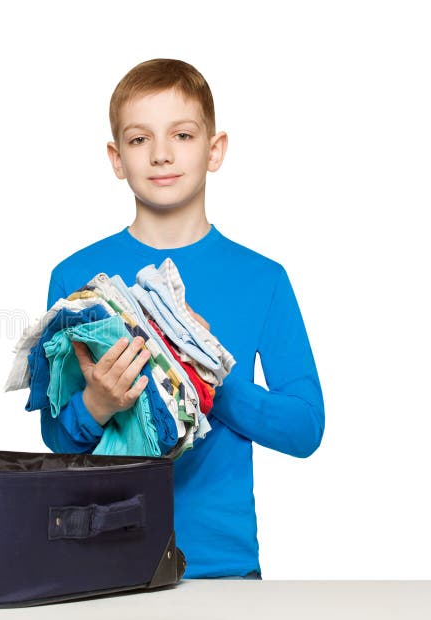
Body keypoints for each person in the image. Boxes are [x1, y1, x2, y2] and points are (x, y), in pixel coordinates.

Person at [41, 59, 324, 579]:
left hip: (221, 567)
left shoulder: (263, 279)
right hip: (103, 566)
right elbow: (57, 440)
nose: (162, 154)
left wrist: (205, 373)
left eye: (183, 134)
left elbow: (305, 428)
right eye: (139, 139)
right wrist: (97, 405)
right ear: (116, 158)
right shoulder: (74, 276)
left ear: (214, 150)